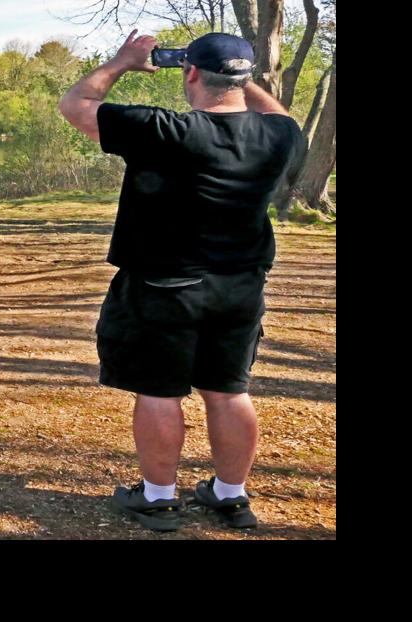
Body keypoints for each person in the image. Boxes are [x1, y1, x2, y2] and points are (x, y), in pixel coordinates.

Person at [58, 30, 305, 532]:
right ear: (243, 77)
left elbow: (77, 103)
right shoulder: (277, 136)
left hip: (164, 286)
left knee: (160, 391)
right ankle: (231, 496)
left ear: (189, 72)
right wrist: (243, 77)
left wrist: (124, 61)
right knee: (229, 390)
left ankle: (158, 498)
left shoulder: (162, 129)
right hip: (239, 285)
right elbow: (276, 113)